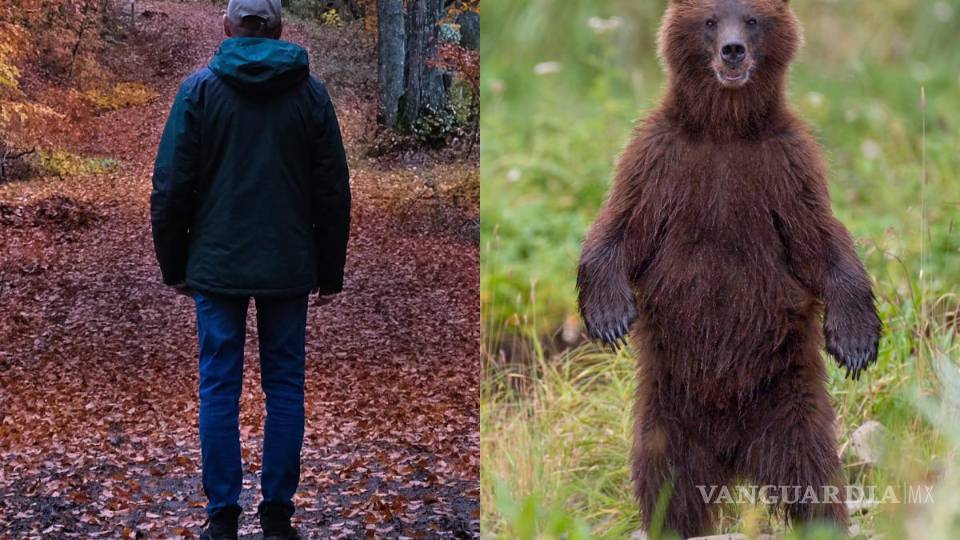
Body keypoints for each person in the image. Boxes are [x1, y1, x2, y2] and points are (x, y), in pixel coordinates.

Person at [149, 0, 350, 537]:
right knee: (285, 386)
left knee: (219, 386)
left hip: (217, 266)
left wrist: (174, 264)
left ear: (227, 26)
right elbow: (333, 189)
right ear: (280, 29)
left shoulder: (199, 92)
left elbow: (170, 186)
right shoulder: (310, 95)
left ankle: (222, 517)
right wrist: (329, 270)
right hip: (288, 265)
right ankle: (277, 516)